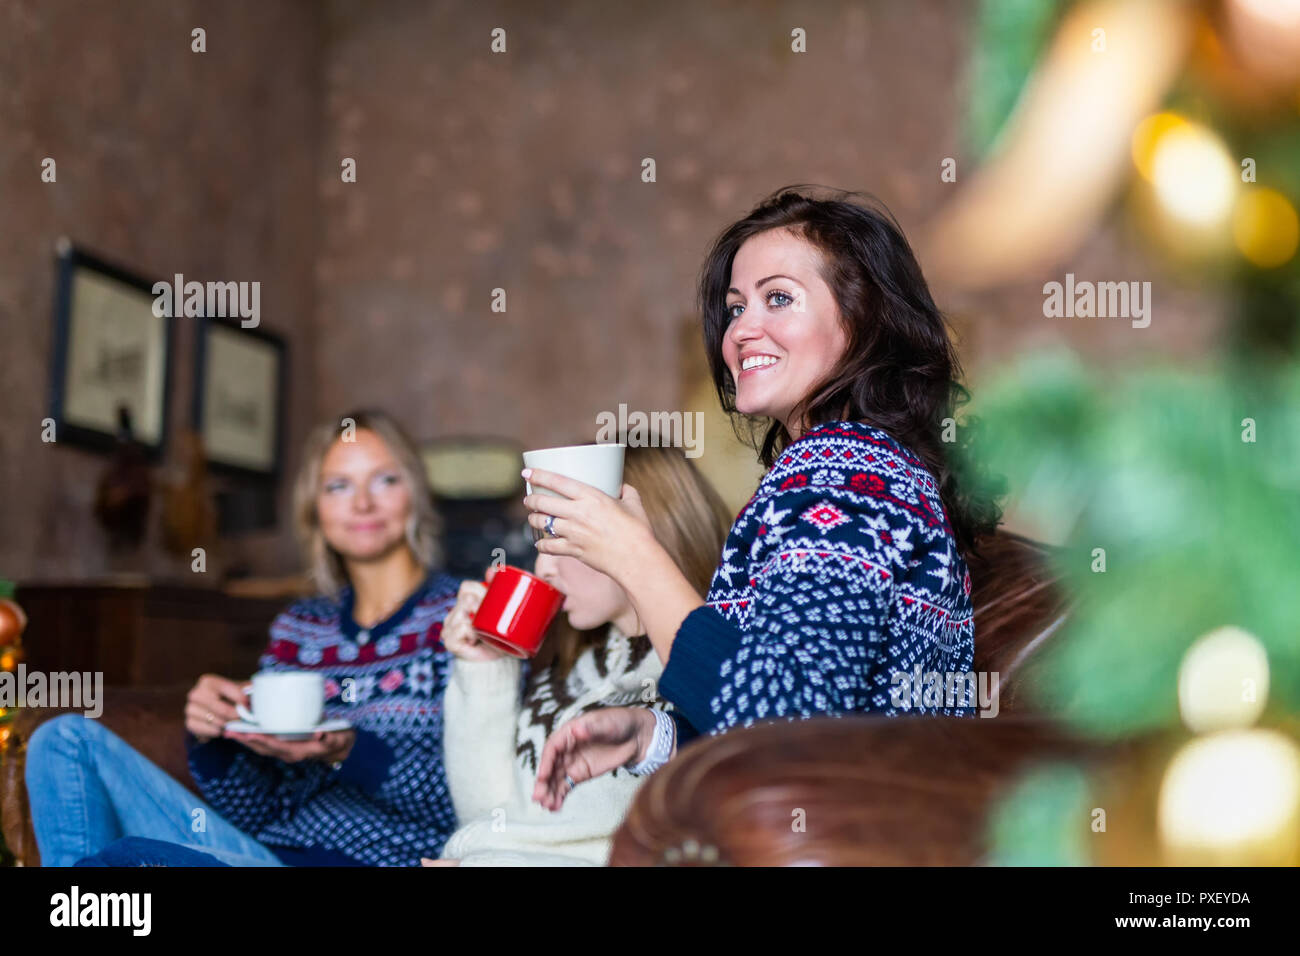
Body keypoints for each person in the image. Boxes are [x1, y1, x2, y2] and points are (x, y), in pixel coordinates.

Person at [529, 186, 1003, 809]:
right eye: (734, 308)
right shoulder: (855, 468)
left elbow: (783, 728)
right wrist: (654, 737)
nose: (741, 331)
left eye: (778, 298)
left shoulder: (843, 473)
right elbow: (799, 717)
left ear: (861, 319)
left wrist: (633, 556)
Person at [27, 410, 462, 866]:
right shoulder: (300, 627)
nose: (361, 504)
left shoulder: (460, 616)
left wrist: (352, 750)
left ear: (415, 492)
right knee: (62, 739)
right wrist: (216, 735)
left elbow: (477, 803)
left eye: (384, 480)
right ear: (315, 507)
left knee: (132, 860)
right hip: (261, 854)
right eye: (338, 486)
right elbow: (257, 809)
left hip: (375, 861)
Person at [428, 444, 731, 866]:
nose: (543, 569)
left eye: (562, 537)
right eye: (541, 540)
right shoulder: (576, 665)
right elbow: (491, 819)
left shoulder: (708, 674)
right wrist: (484, 669)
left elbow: (617, 852)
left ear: (645, 528)